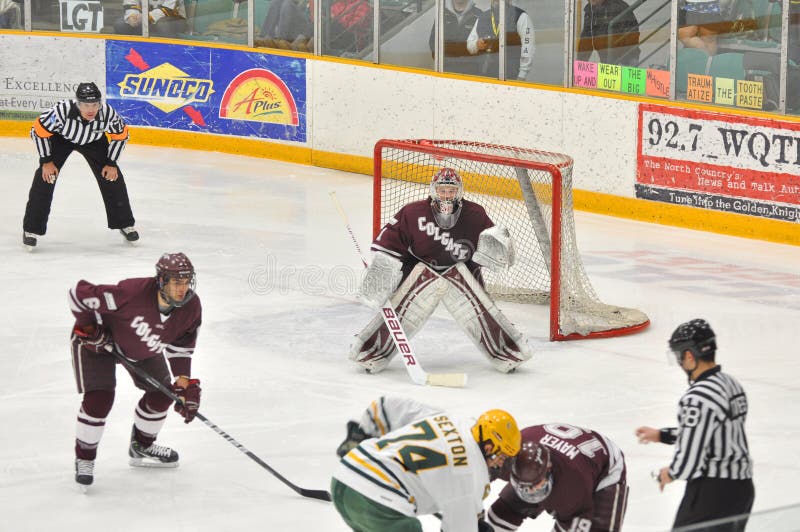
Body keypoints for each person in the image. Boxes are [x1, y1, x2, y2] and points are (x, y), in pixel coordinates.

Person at [349, 167, 532, 374]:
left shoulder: (475, 215)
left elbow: (489, 249)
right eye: (442, 190)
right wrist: (380, 273)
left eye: (451, 190)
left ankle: (509, 351)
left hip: (461, 275)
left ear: (459, 191)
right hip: (420, 274)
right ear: (433, 190)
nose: (446, 195)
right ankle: (369, 350)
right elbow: (390, 243)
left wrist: (499, 249)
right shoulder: (413, 212)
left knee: (482, 315)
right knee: (401, 314)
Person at [70, 252, 203, 489]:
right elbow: (77, 294)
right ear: (161, 281)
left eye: (185, 282)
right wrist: (89, 328)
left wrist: (184, 387)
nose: (182, 288)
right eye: (176, 282)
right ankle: (84, 458)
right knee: (100, 399)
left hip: (142, 346)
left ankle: (141, 446)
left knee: (163, 394)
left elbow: (181, 347)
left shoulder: (191, 307)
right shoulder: (131, 293)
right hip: (98, 345)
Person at [332, 396, 521, 531]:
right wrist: (472, 522)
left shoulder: (449, 418)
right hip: (377, 504)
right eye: (502, 456)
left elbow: (387, 406)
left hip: (342, 479)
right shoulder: (470, 475)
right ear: (489, 447)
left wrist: (364, 430)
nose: (500, 464)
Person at [635, 319, 754, 531]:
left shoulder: (697, 397)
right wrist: (662, 435)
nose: (680, 364)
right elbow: (711, 432)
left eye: (679, 357)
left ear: (690, 356)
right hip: (743, 490)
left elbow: (691, 458)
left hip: (713, 494)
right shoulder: (731, 384)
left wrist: (670, 473)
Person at [23, 82, 138, 250]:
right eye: (85, 105)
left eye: (95, 104)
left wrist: (111, 163)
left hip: (94, 141)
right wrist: (46, 161)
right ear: (78, 103)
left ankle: (124, 224)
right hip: (61, 139)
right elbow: (38, 132)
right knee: (45, 178)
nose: (91, 109)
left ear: (100, 103)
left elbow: (121, 136)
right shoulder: (61, 112)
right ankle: (31, 229)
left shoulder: (107, 113)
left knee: (113, 178)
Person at [487, 423, 629, 532]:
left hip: (603, 468)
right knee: (499, 515)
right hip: (563, 459)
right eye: (525, 487)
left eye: (538, 484)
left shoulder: (572, 488)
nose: (532, 492)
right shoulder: (507, 454)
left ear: (549, 468)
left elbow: (575, 522)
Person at [466, 0, 534, 80]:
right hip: (484, 74)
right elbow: (470, 45)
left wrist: (522, 75)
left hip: (511, 75)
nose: (498, 2)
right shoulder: (483, 17)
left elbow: (528, 48)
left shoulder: (521, 16)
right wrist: (476, 45)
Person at [576, 0, 641, 67]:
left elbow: (632, 33)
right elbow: (586, 38)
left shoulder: (619, 7)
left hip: (626, 57)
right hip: (606, 57)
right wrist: (580, 64)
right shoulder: (589, 9)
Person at [428, 0, 484, 76]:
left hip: (471, 72)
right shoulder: (442, 14)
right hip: (446, 70)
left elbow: (484, 46)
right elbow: (433, 42)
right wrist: (444, 61)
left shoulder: (480, 15)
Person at [114, 0, 188, 37]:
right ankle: (131, 55)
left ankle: (168, 56)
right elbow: (130, 3)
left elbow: (170, 9)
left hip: (174, 20)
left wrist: (146, 17)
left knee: (163, 25)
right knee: (120, 24)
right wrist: (131, 16)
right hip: (145, 21)